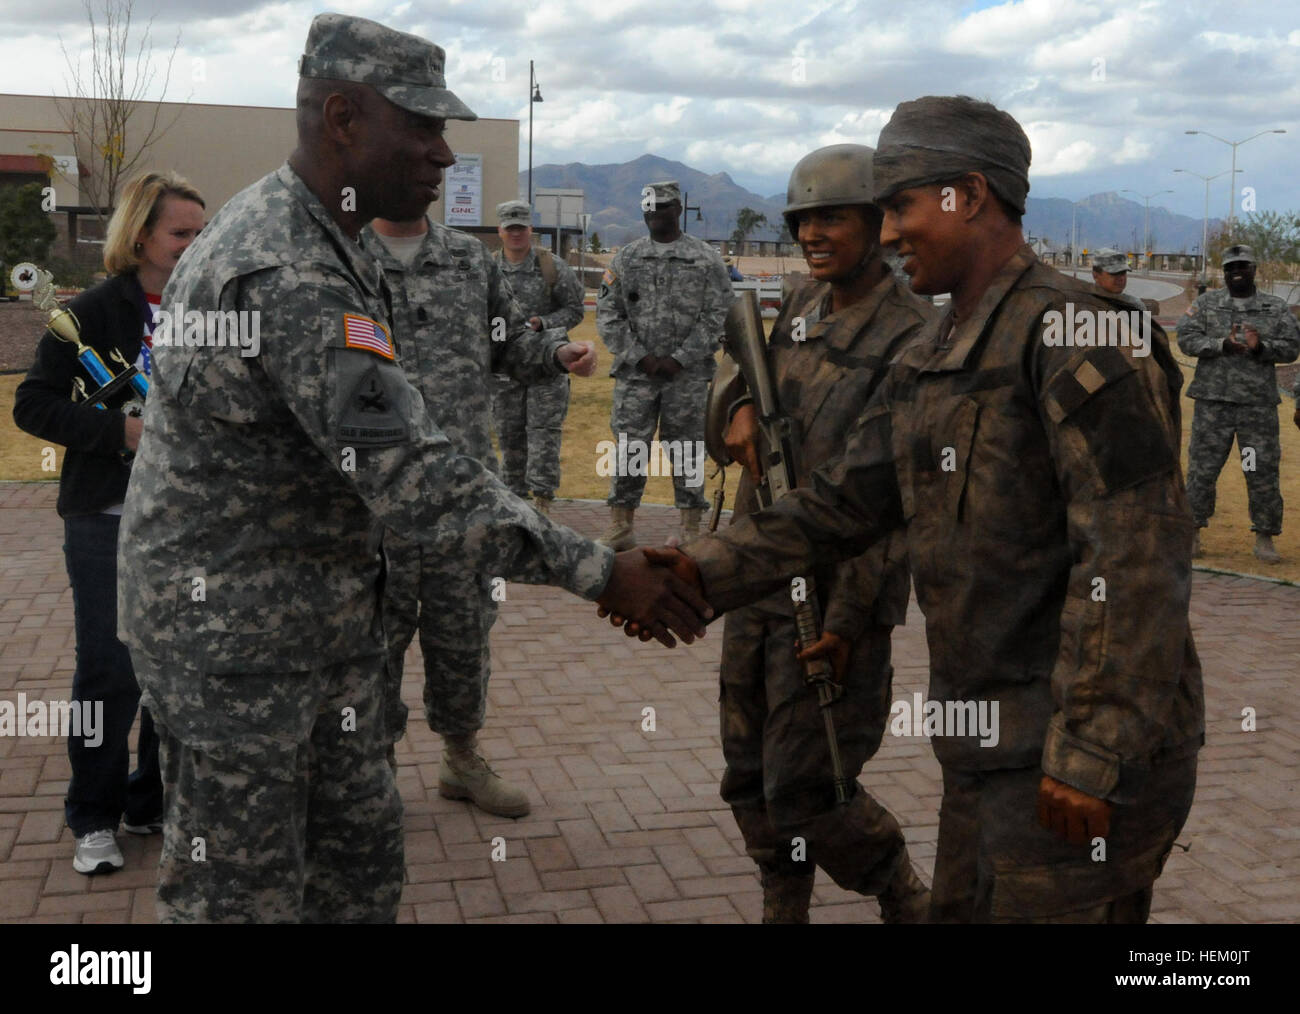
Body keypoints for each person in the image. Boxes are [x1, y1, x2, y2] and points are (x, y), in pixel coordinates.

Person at [115, 13, 705, 923]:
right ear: (344, 118)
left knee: (359, 869)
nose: (441, 153)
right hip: (237, 649)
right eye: (422, 126)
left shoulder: (339, 241)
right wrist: (602, 572)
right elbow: (416, 476)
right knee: (239, 897)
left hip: (327, 624)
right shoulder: (288, 268)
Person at [616, 95, 1204, 924]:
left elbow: (1135, 560)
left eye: (901, 207)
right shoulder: (939, 352)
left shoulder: (1079, 333)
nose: (887, 233)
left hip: (1071, 750)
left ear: (970, 194)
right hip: (988, 747)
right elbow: (842, 501)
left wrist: (1094, 750)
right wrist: (701, 571)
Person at [714, 144, 935, 923]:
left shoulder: (912, 336)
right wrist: (733, 407)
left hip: (837, 598)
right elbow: (743, 378)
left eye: (831, 217)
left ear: (878, 224)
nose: (811, 232)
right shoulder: (803, 303)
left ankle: (900, 890)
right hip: (758, 576)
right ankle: (784, 895)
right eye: (802, 218)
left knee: (812, 785)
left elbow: (896, 500)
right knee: (746, 771)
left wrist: (848, 622)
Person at [360, 203, 594, 818]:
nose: (428, 166)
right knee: (371, 639)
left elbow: (508, 341)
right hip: (371, 495)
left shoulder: (467, 259)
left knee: (463, 629)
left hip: (461, 492)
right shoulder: (341, 255)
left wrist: (551, 354)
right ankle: (374, 767)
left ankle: (461, 759)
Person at [13, 171, 205, 875]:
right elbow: (32, 407)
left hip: (191, 520)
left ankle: (148, 800)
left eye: (201, 233)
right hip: (107, 516)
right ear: (140, 236)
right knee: (110, 669)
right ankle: (92, 817)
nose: (194, 246)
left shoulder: (214, 309)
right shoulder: (93, 311)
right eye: (182, 233)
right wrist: (118, 431)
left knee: (174, 671)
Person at [596, 180, 733, 547]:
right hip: (636, 377)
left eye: (664, 207)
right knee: (629, 447)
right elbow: (608, 314)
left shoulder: (705, 259)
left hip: (686, 378)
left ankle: (690, 529)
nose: (656, 214)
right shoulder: (626, 258)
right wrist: (639, 357)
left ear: (678, 210)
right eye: (650, 208)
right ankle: (621, 525)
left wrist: (680, 358)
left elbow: (718, 314)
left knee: (687, 448)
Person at [1177, 244, 1300, 563]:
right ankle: (1192, 533)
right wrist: (1221, 345)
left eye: (1243, 267)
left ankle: (1264, 537)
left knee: (1261, 470)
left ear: (1254, 269)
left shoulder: (1274, 308)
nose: (1236, 273)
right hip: (1212, 403)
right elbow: (1186, 339)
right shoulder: (1206, 303)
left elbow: (1291, 349)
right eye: (1231, 268)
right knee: (1202, 470)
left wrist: (1262, 348)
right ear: (1225, 272)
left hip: (1257, 407)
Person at [490, 199, 587, 514]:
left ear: (531, 230)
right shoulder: (488, 269)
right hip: (507, 369)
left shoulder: (551, 266)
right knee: (509, 436)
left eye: (521, 228)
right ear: (500, 232)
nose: (516, 234)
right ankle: (515, 506)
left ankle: (543, 505)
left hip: (548, 366)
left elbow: (574, 310)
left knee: (544, 436)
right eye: (510, 229)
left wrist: (543, 323)